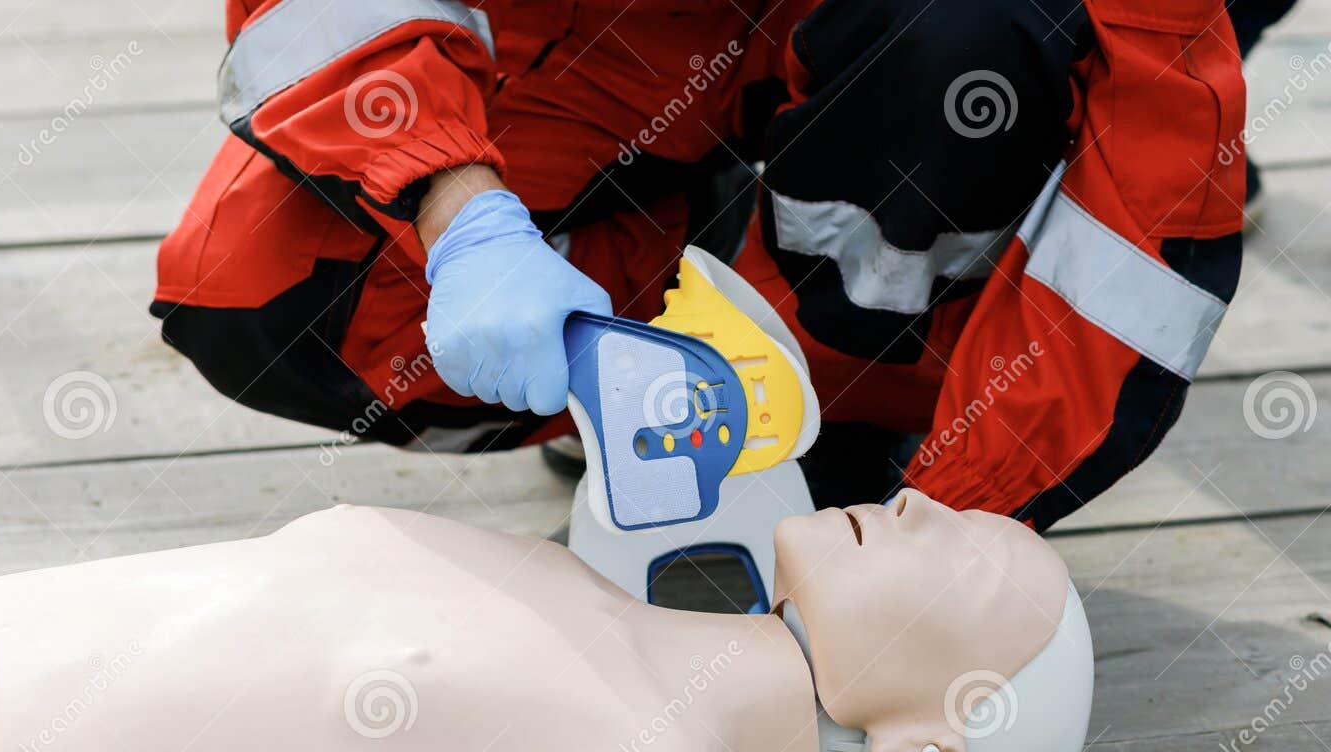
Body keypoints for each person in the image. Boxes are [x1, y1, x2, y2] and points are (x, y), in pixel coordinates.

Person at [153, 0, 1245, 530]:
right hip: (627, 50)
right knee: (267, 290)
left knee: (965, 42)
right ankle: (677, 338)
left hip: (896, 61)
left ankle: (829, 428)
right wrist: (459, 211)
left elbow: (1142, 221)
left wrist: (949, 522)